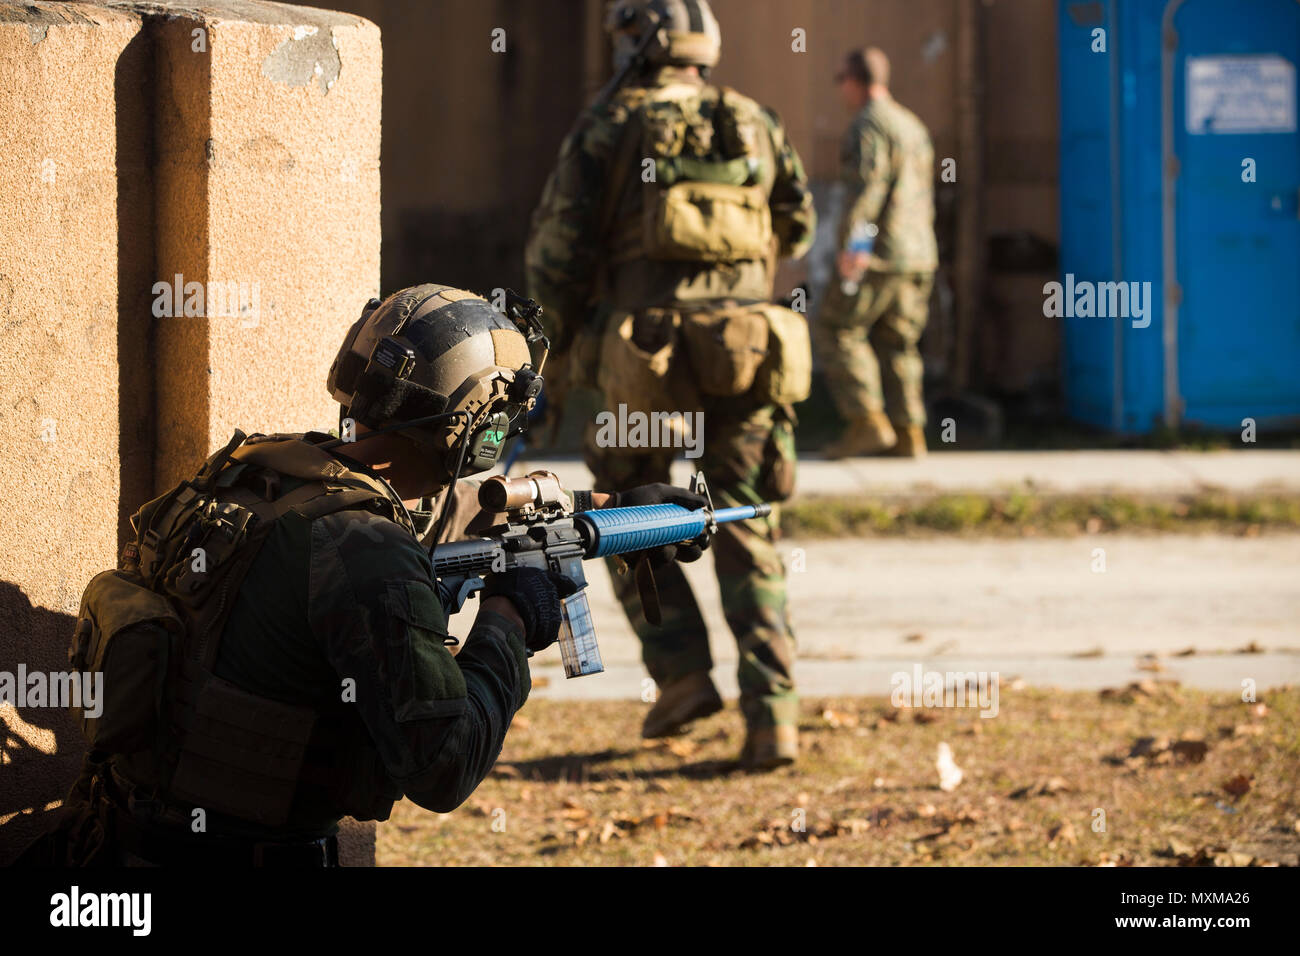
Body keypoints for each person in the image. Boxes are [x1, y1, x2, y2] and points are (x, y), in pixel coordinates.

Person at [21, 283, 701, 866]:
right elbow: (443, 765)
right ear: (477, 421)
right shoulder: (362, 546)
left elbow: (441, 510)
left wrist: (608, 508)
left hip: (116, 840)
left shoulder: (259, 476)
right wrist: (510, 618)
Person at [525, 0, 816, 768]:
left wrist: (547, 355)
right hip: (749, 350)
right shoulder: (757, 119)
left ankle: (682, 676)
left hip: (645, 362)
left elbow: (557, 255)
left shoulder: (610, 123)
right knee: (749, 523)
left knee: (631, 513)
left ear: (638, 43)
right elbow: (799, 225)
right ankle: (774, 718)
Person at [817, 47, 938, 459]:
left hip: (879, 253)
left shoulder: (867, 125)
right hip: (918, 254)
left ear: (855, 81)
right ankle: (910, 433)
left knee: (838, 329)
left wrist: (854, 246)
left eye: (840, 80)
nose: (840, 90)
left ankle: (867, 421)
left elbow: (867, 189)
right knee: (900, 343)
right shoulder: (911, 123)